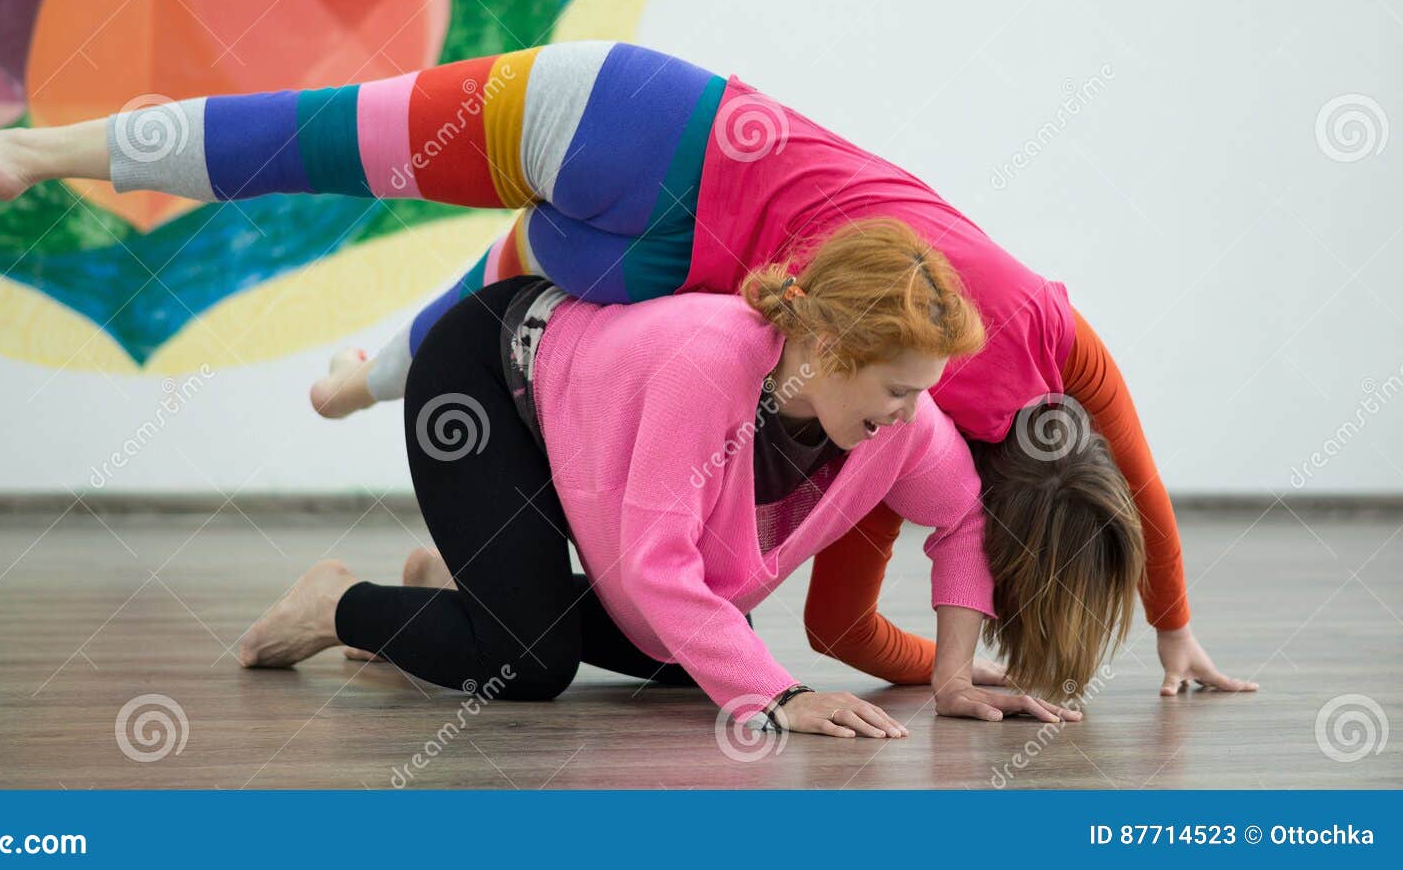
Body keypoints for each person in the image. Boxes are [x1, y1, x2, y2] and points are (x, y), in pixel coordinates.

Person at [0, 39, 1254, 695]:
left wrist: (1157, 630)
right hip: (646, 136)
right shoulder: (934, 378)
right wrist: (1002, 667)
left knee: (464, 225)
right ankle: (57, 158)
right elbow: (847, 619)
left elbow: (1115, 471)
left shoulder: (964, 389)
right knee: (357, 158)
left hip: (641, 201)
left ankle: (370, 362)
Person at [233, 220, 1098, 734]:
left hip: (584, 427)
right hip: (490, 380)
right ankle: (334, 601)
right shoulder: (710, 364)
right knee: (530, 662)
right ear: (832, 350)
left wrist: (951, 678)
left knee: (699, 654)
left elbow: (963, 520)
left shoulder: (901, 423)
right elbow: (656, 565)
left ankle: (458, 584)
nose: (913, 415)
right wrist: (780, 697)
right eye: (899, 390)